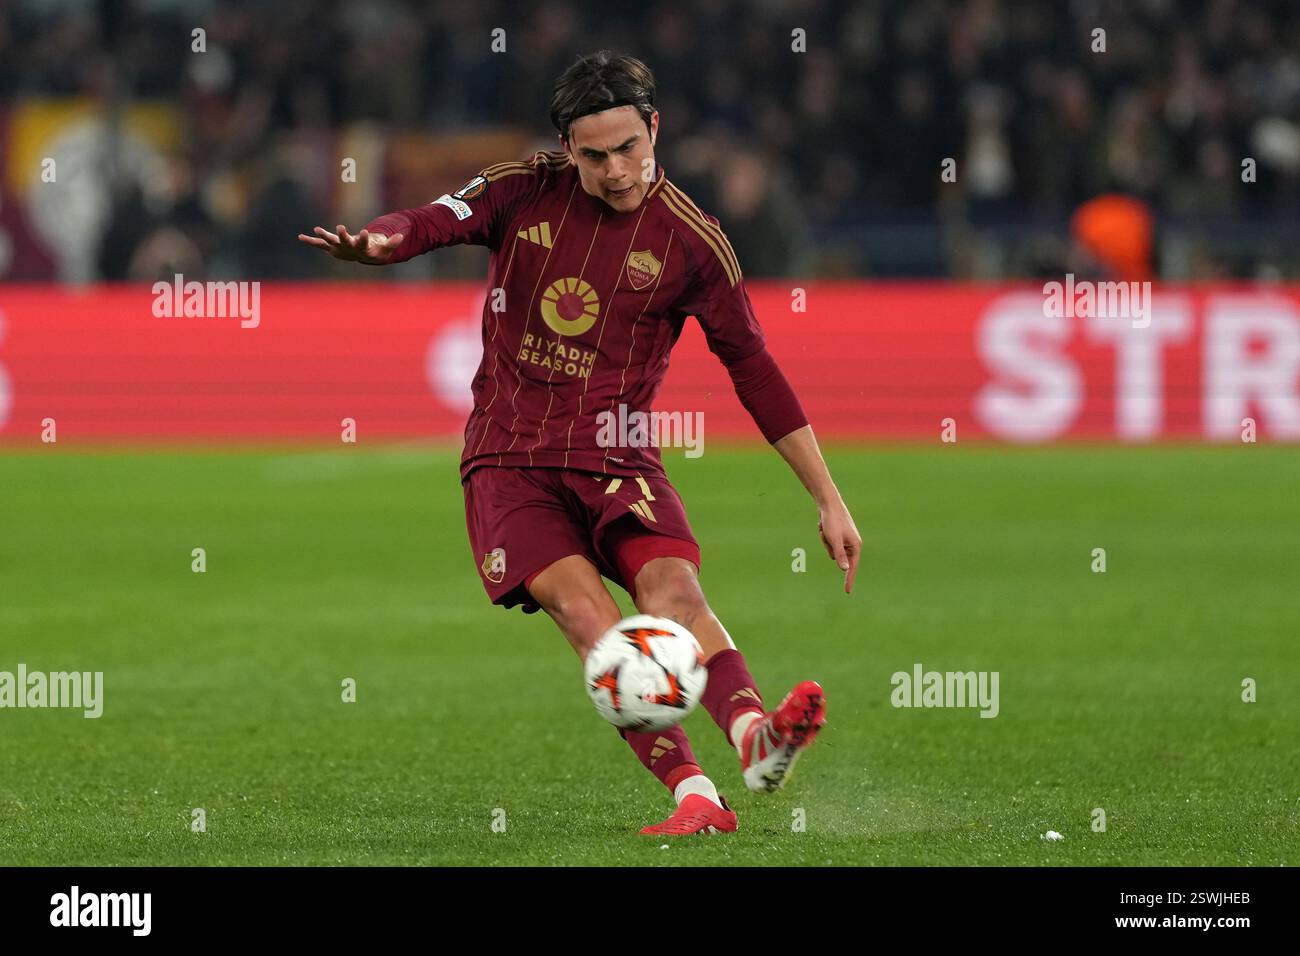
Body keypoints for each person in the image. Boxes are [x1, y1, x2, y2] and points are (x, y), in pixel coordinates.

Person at [300, 50, 861, 836]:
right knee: (583, 611)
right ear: (567, 146)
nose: (616, 169)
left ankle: (755, 737)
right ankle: (694, 792)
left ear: (654, 128)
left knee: (673, 594)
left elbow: (755, 371)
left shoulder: (693, 242)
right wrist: (382, 244)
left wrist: (827, 496)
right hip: (509, 459)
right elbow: (432, 219)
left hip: (618, 454)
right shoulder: (519, 191)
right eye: (594, 155)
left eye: (629, 147)